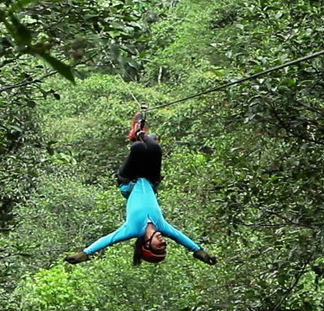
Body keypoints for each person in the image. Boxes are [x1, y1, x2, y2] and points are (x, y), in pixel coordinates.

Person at [64, 112, 217, 266]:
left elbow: (108, 240)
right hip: (151, 179)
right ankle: (143, 135)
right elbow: (182, 238)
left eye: (159, 245)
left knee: (138, 148)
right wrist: (199, 251)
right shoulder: (163, 226)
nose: (162, 241)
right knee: (155, 148)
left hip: (129, 179)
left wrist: (85, 253)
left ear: (147, 244)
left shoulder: (133, 229)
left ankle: (138, 134)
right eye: (165, 245)